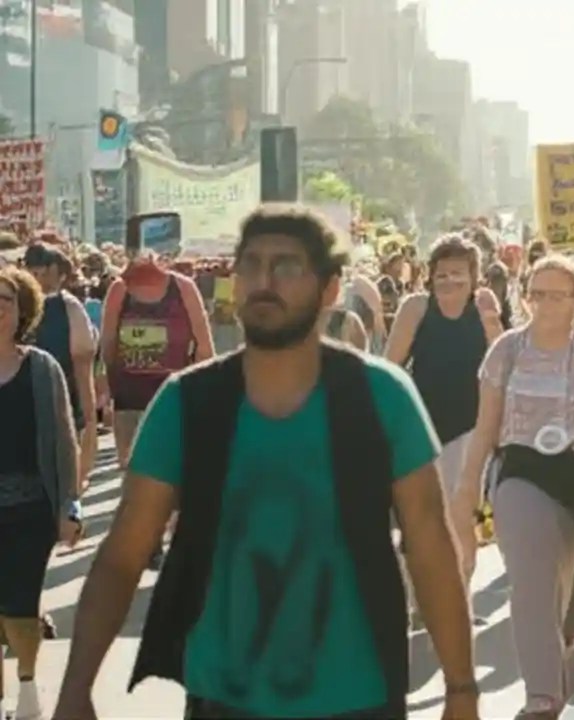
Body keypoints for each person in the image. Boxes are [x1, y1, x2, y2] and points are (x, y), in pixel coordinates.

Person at [53, 206, 478, 720]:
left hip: (357, 696)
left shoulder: (381, 396)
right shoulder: (189, 401)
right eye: (250, 265)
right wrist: (75, 691)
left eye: (287, 266)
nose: (264, 280)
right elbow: (123, 556)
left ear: (329, 289)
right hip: (225, 700)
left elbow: (430, 545)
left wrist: (461, 691)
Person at [455, 255, 574, 719]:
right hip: (520, 472)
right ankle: (542, 696)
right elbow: (485, 424)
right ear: (525, 297)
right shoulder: (506, 350)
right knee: (530, 579)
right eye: (538, 293)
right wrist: (468, 486)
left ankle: (571, 632)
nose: (546, 303)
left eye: (558, 294)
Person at [385, 235, 504, 563]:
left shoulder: (483, 305)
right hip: (422, 427)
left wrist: (491, 320)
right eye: (442, 273)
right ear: (430, 275)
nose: (449, 280)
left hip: (472, 429)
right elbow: (389, 366)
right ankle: (421, 604)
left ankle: (460, 602)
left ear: (473, 277)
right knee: (421, 520)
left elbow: (502, 362)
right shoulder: (416, 307)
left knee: (462, 517)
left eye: (458, 273)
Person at [0, 267, 82, 720]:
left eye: (6, 299)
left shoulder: (41, 368)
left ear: (21, 310)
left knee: (19, 603)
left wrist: (70, 505)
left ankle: (28, 689)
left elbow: (65, 442)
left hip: (31, 510)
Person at [100, 244, 214, 470]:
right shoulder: (119, 290)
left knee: (171, 475)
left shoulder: (183, 288)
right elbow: (107, 344)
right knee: (132, 474)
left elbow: (204, 347)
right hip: (129, 401)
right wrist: (108, 390)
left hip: (173, 399)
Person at [24, 243, 97, 493]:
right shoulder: (68, 307)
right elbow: (84, 359)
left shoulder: (66, 307)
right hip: (60, 394)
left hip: (52, 394)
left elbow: (83, 360)